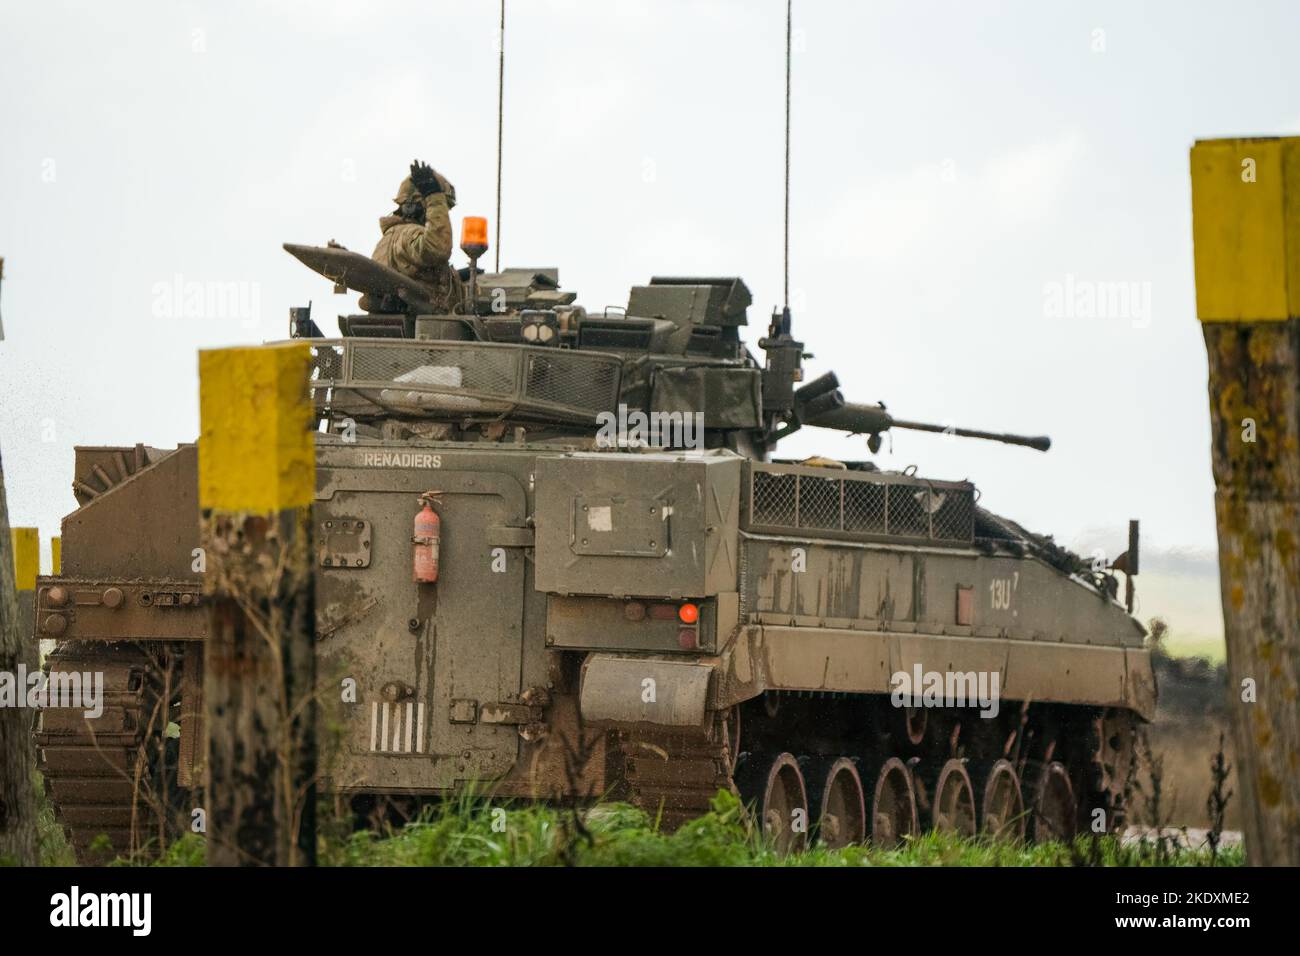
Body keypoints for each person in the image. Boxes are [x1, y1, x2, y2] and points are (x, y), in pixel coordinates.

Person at [359, 159, 465, 314]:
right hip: (423, 329)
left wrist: (455, 278)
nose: (444, 214)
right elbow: (438, 249)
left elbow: (414, 276)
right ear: (419, 204)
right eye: (443, 208)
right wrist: (434, 198)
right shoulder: (409, 234)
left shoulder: (394, 236)